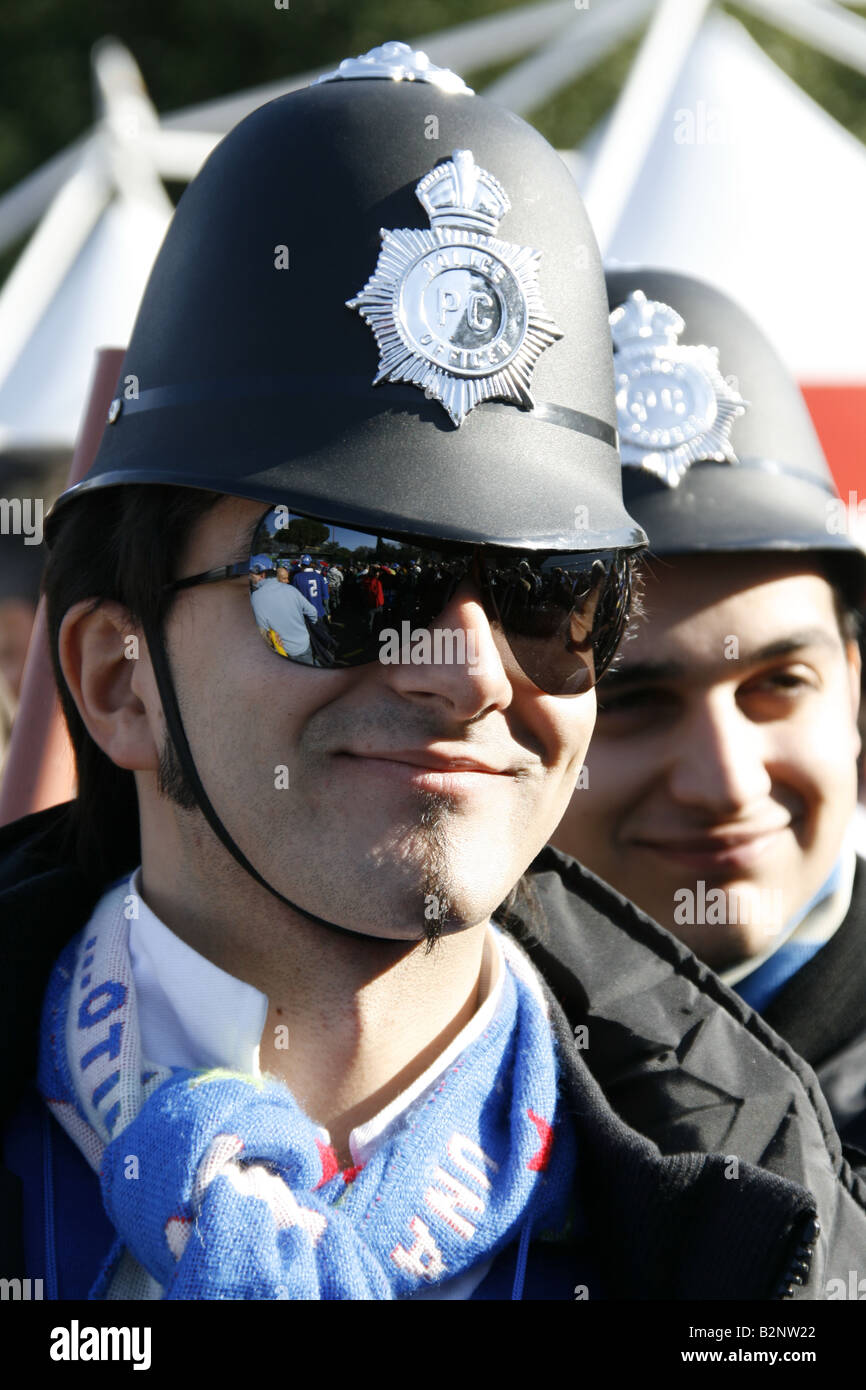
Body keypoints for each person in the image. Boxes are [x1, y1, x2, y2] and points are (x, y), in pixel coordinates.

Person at [1, 47, 864, 1303]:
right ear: (119, 679)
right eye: (345, 574)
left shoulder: (766, 1227)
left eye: (546, 596)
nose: (464, 671)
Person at [553, 268, 866, 1152]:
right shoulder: (424, 1094)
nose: (725, 780)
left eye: (780, 684)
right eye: (633, 700)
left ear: (853, 688)